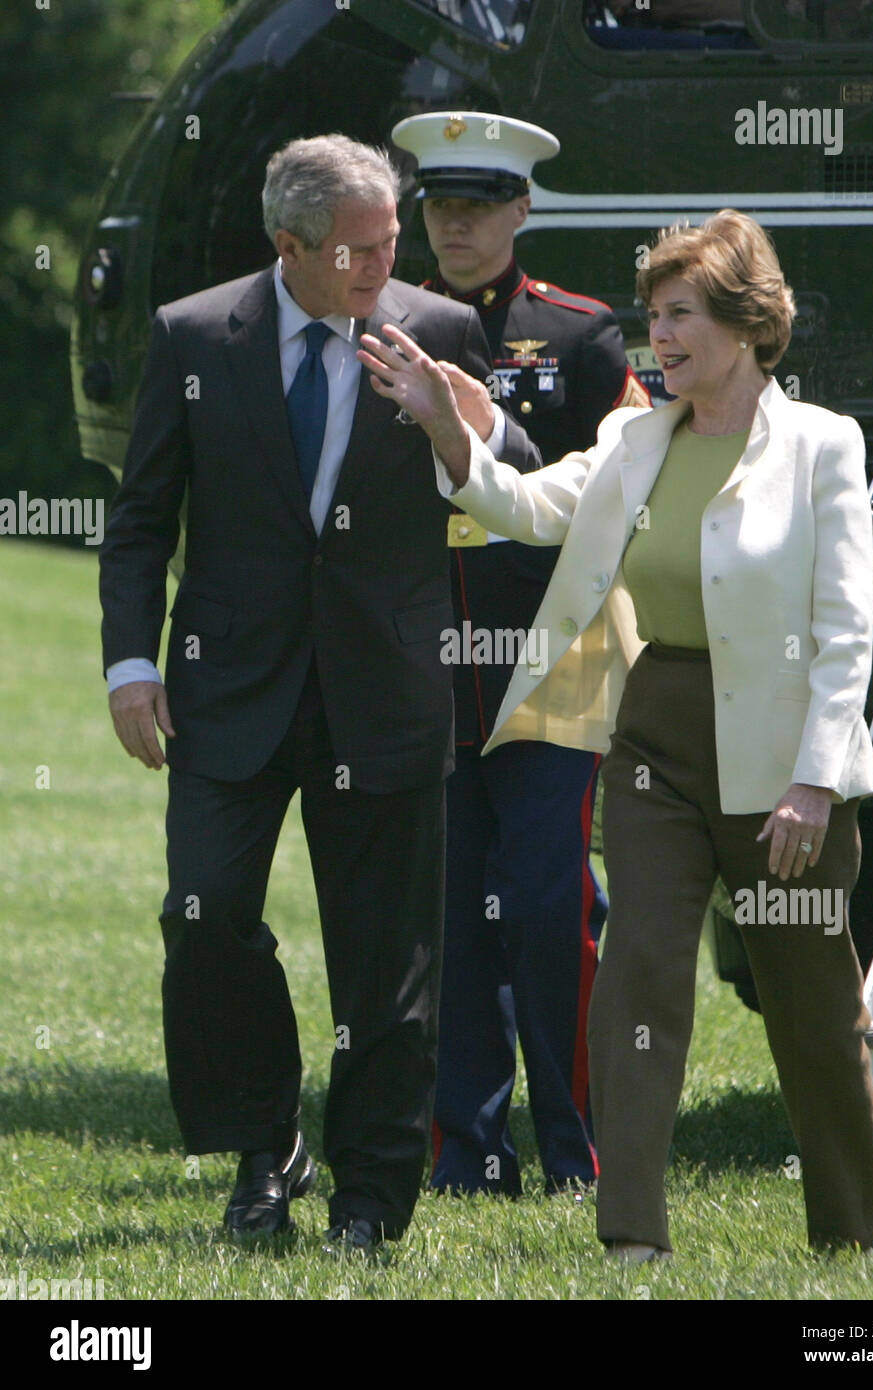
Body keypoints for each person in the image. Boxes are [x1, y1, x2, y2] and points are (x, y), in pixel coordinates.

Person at [356, 209, 873, 1259]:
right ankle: (630, 1237)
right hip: (655, 740)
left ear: (744, 321)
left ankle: (852, 1228)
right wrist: (442, 424)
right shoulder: (630, 438)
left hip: (784, 755)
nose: (661, 338)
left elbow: (841, 633)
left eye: (681, 315)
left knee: (812, 1011)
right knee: (640, 966)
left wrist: (814, 782)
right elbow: (516, 502)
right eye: (652, 317)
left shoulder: (822, 445)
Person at [98, 134, 538, 1255]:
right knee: (202, 917)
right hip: (226, 691)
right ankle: (265, 1142)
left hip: (383, 689)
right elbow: (143, 517)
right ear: (286, 246)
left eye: (391, 242)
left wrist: (461, 420)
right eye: (358, 249)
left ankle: (369, 1198)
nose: (382, 267)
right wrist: (130, 662)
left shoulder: (436, 328)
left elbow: (515, 475)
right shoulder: (194, 335)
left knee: (386, 962)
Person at [390, 109, 651, 1197]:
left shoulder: (584, 336)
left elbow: (613, 491)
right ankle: (465, 1145)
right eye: (438, 203)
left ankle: (571, 1144)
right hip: (427, 668)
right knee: (447, 915)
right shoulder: (385, 324)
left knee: (548, 908)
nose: (455, 223)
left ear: (520, 209)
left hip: (549, 665)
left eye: (478, 203)